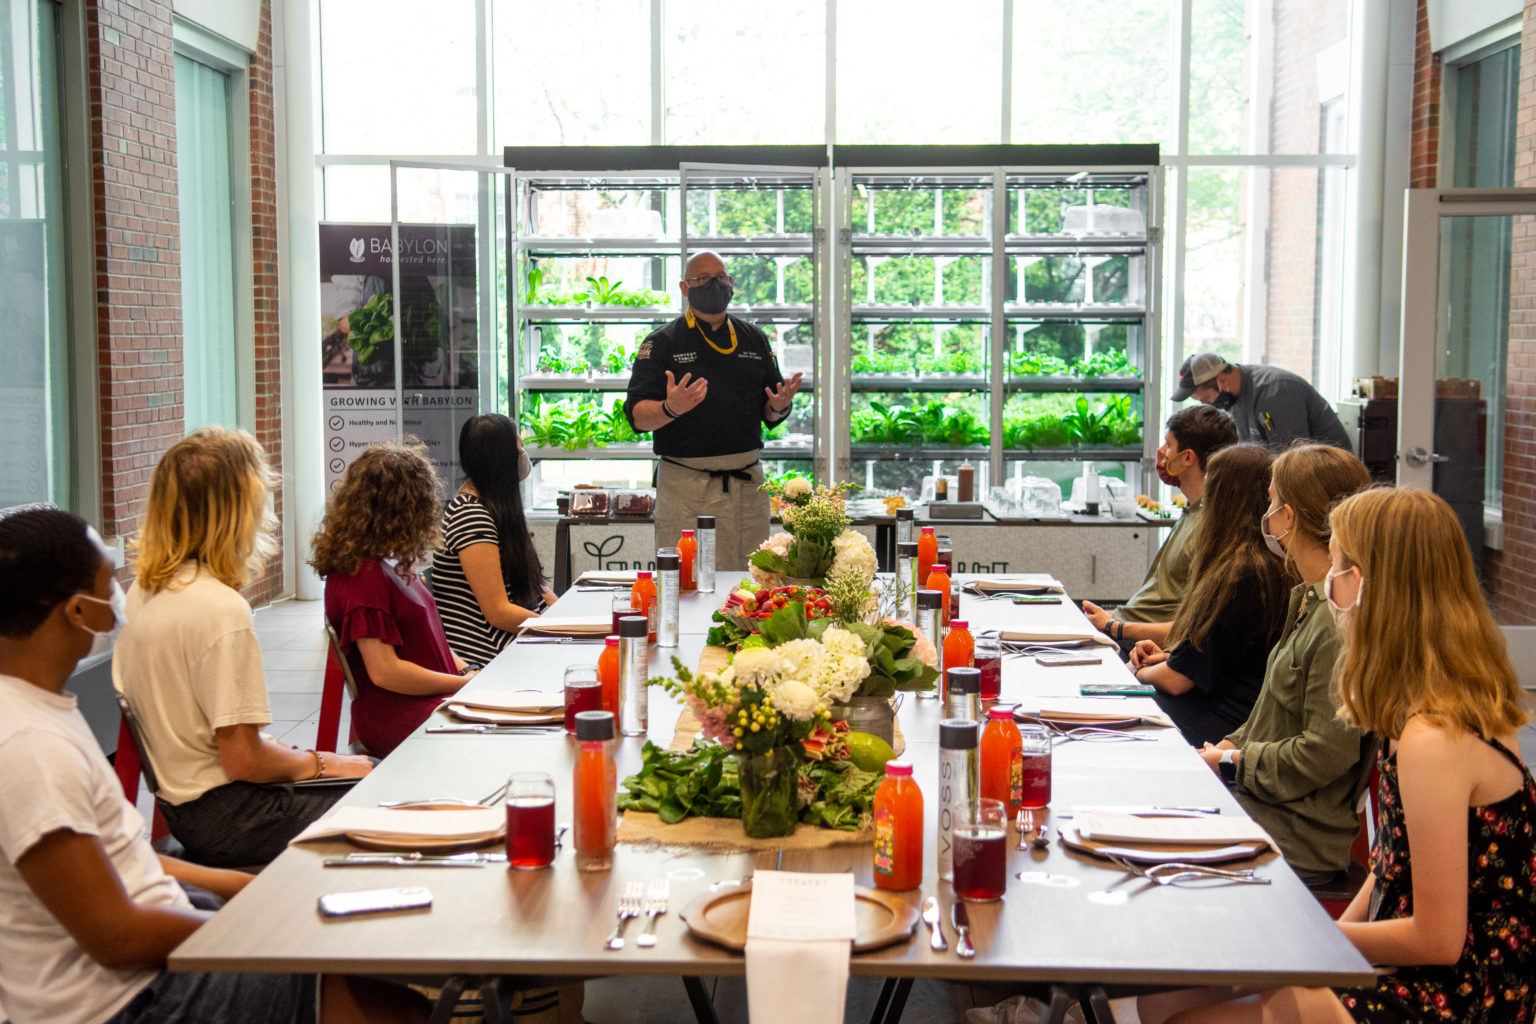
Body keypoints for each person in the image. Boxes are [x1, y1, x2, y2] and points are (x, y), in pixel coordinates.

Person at [0, 507, 425, 1024]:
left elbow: (126, 860)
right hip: (126, 1000)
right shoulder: (29, 744)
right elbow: (116, 934)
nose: (119, 594)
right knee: (394, 1008)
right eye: (106, 582)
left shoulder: (40, 712)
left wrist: (250, 894)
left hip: (156, 952)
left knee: (360, 971)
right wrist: (250, 931)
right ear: (76, 612)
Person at [1140, 487, 1535, 1024]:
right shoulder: (1424, 705)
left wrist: (1304, 939)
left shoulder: (1433, 737)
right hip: (1422, 972)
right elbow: (1391, 869)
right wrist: (1318, 949)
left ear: (1377, 586)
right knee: (1163, 998)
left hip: (1456, 996)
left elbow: (1440, 939)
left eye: (1342, 564)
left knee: (1185, 1015)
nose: (1331, 580)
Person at [114, 428, 371, 869]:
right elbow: (243, 759)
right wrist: (321, 764)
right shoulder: (218, 609)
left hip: (186, 810)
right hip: (235, 816)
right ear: (238, 510)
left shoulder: (143, 592)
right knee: (389, 788)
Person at [1198, 443, 1374, 885]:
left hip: (1290, 834)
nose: (1267, 513)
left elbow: (1325, 753)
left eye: (1272, 501)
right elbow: (1269, 718)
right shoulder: (1307, 600)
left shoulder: (1336, 623)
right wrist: (1222, 749)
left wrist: (1233, 760)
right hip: (1264, 807)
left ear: (1289, 517)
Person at [624, 250, 803, 570]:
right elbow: (637, 415)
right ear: (684, 288)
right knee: (686, 580)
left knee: (753, 579)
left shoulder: (754, 339)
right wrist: (670, 408)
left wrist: (779, 407)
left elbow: (770, 409)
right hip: (686, 485)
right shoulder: (662, 342)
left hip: (747, 482)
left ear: (732, 284)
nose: (715, 285)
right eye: (703, 279)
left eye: (721, 278)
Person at [312, 440, 473, 757]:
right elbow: (385, 672)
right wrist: (463, 686)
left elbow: (427, 641)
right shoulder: (362, 576)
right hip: (402, 717)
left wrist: (468, 673)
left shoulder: (388, 561)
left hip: (430, 700)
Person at [1127, 444, 1291, 746]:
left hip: (1213, 726)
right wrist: (1167, 659)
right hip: (1234, 717)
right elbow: (1222, 661)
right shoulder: (1270, 566)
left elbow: (1177, 681)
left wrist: (1136, 671)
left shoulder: (1237, 574)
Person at [1082, 404, 1238, 649]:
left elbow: (1192, 629)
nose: (1162, 452)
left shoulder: (1210, 526)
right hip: (1126, 631)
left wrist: (1115, 626)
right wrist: (1112, 618)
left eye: (1168, 445)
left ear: (1187, 457)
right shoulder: (1192, 511)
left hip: (1140, 645)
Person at [433, 414, 557, 667]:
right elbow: (499, 613)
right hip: (491, 658)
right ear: (501, 460)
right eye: (519, 447)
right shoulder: (471, 516)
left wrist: (567, 619)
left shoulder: (492, 508)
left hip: (511, 643)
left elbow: (537, 589)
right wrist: (559, 630)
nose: (523, 454)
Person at [1172, 350, 1352, 452]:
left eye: (1204, 398)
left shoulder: (1276, 392)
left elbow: (1292, 458)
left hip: (1327, 480)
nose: (1206, 405)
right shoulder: (1235, 399)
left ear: (1222, 380)